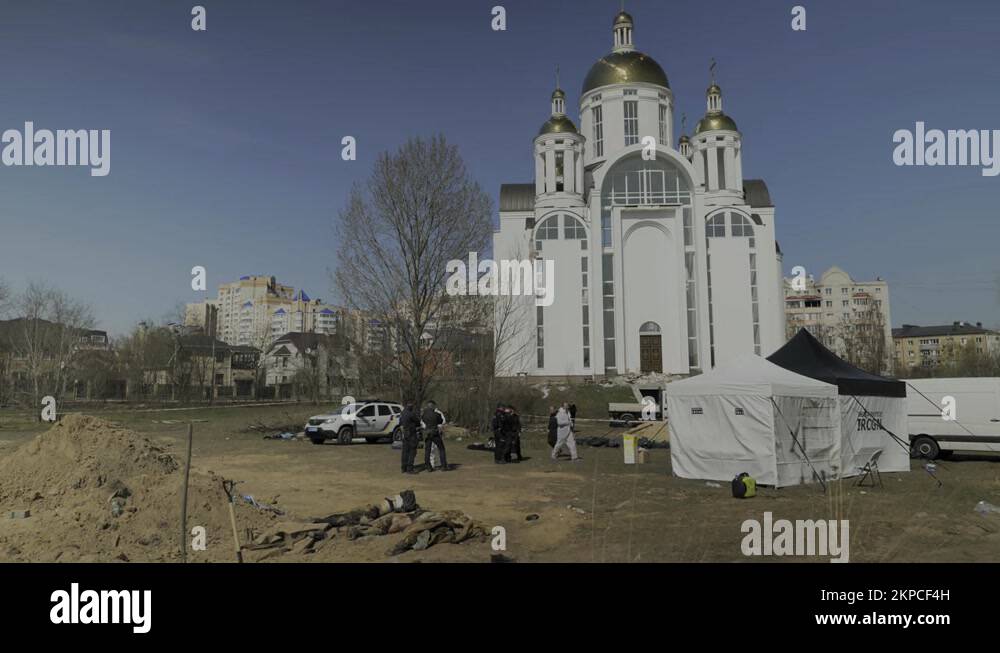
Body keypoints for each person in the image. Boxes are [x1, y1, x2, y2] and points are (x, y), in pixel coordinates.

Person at [421, 400, 449, 471]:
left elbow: (423, 421)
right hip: (435, 433)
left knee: (427, 450)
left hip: (427, 433)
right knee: (441, 449)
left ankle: (428, 466)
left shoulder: (424, 414)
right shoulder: (437, 414)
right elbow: (441, 421)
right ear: (433, 406)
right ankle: (443, 466)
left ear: (427, 406)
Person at [398, 402, 421, 474]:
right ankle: (409, 468)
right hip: (411, 434)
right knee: (412, 451)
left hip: (405, 434)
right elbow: (418, 422)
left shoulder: (402, 413)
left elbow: (400, 423)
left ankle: (403, 468)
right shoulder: (411, 414)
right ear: (411, 407)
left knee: (405, 451)